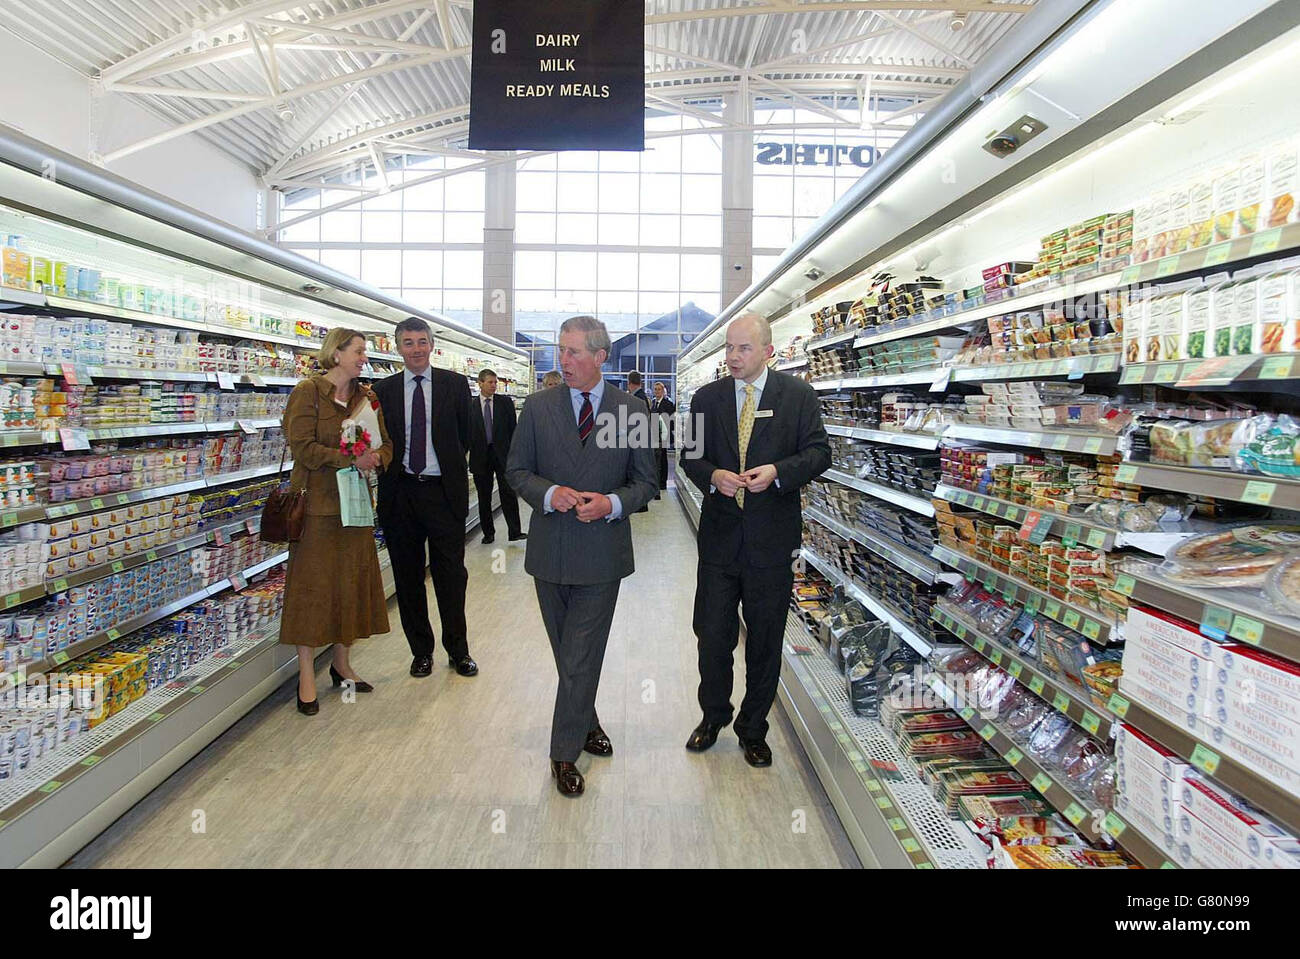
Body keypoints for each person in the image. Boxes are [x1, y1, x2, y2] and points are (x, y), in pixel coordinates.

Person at [506, 316, 657, 797]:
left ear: (600, 357)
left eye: (573, 353)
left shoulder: (630, 410)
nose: (562, 361)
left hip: (601, 555)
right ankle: (588, 722)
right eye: (560, 350)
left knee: (580, 652)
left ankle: (563, 752)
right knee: (569, 655)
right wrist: (550, 493)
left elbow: (646, 481)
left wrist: (611, 503)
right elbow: (517, 470)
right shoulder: (537, 407)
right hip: (550, 551)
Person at [681, 312, 831, 766]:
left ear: (768, 351)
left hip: (772, 541)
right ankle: (714, 716)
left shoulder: (798, 396)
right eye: (728, 348)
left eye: (742, 348)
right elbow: (690, 455)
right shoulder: (707, 399)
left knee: (765, 639)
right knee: (712, 634)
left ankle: (753, 728)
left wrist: (779, 473)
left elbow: (819, 452)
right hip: (721, 539)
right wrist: (714, 476)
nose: (732, 357)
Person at [279, 328, 393, 716]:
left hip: (356, 506)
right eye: (359, 351)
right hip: (318, 507)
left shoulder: (367, 397)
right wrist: (350, 459)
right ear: (337, 353)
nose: (364, 357)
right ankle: (306, 673)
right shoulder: (308, 392)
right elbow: (303, 448)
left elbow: (388, 443)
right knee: (312, 590)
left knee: (350, 584)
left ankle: (342, 663)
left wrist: (377, 458)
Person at [373, 317, 479, 679]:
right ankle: (421, 652)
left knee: (452, 576)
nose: (416, 349)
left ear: (432, 345)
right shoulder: (382, 390)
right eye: (408, 342)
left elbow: (466, 436)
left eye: (421, 341)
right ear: (397, 347)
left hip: (442, 493)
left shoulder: (454, 384)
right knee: (408, 578)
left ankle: (458, 650)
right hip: (400, 493)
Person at [469, 368, 525, 545]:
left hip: (503, 455)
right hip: (480, 457)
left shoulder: (505, 402)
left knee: (508, 493)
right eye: (490, 382)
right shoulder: (470, 406)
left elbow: (513, 430)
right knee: (483, 496)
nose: (494, 386)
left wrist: (515, 454)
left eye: (495, 382)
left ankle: (514, 531)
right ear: (480, 383)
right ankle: (488, 533)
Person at [626, 371, 651, 513]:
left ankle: (640, 503)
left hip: (637, 439)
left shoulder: (638, 399)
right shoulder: (641, 397)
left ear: (630, 383)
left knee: (638, 471)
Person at [649, 381, 676, 499]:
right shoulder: (653, 403)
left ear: (663, 391)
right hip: (655, 436)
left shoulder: (668, 404)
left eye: (659, 389)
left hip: (663, 435)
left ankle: (663, 483)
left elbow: (671, 420)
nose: (657, 392)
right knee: (657, 460)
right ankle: (657, 481)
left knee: (663, 459)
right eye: (655, 389)